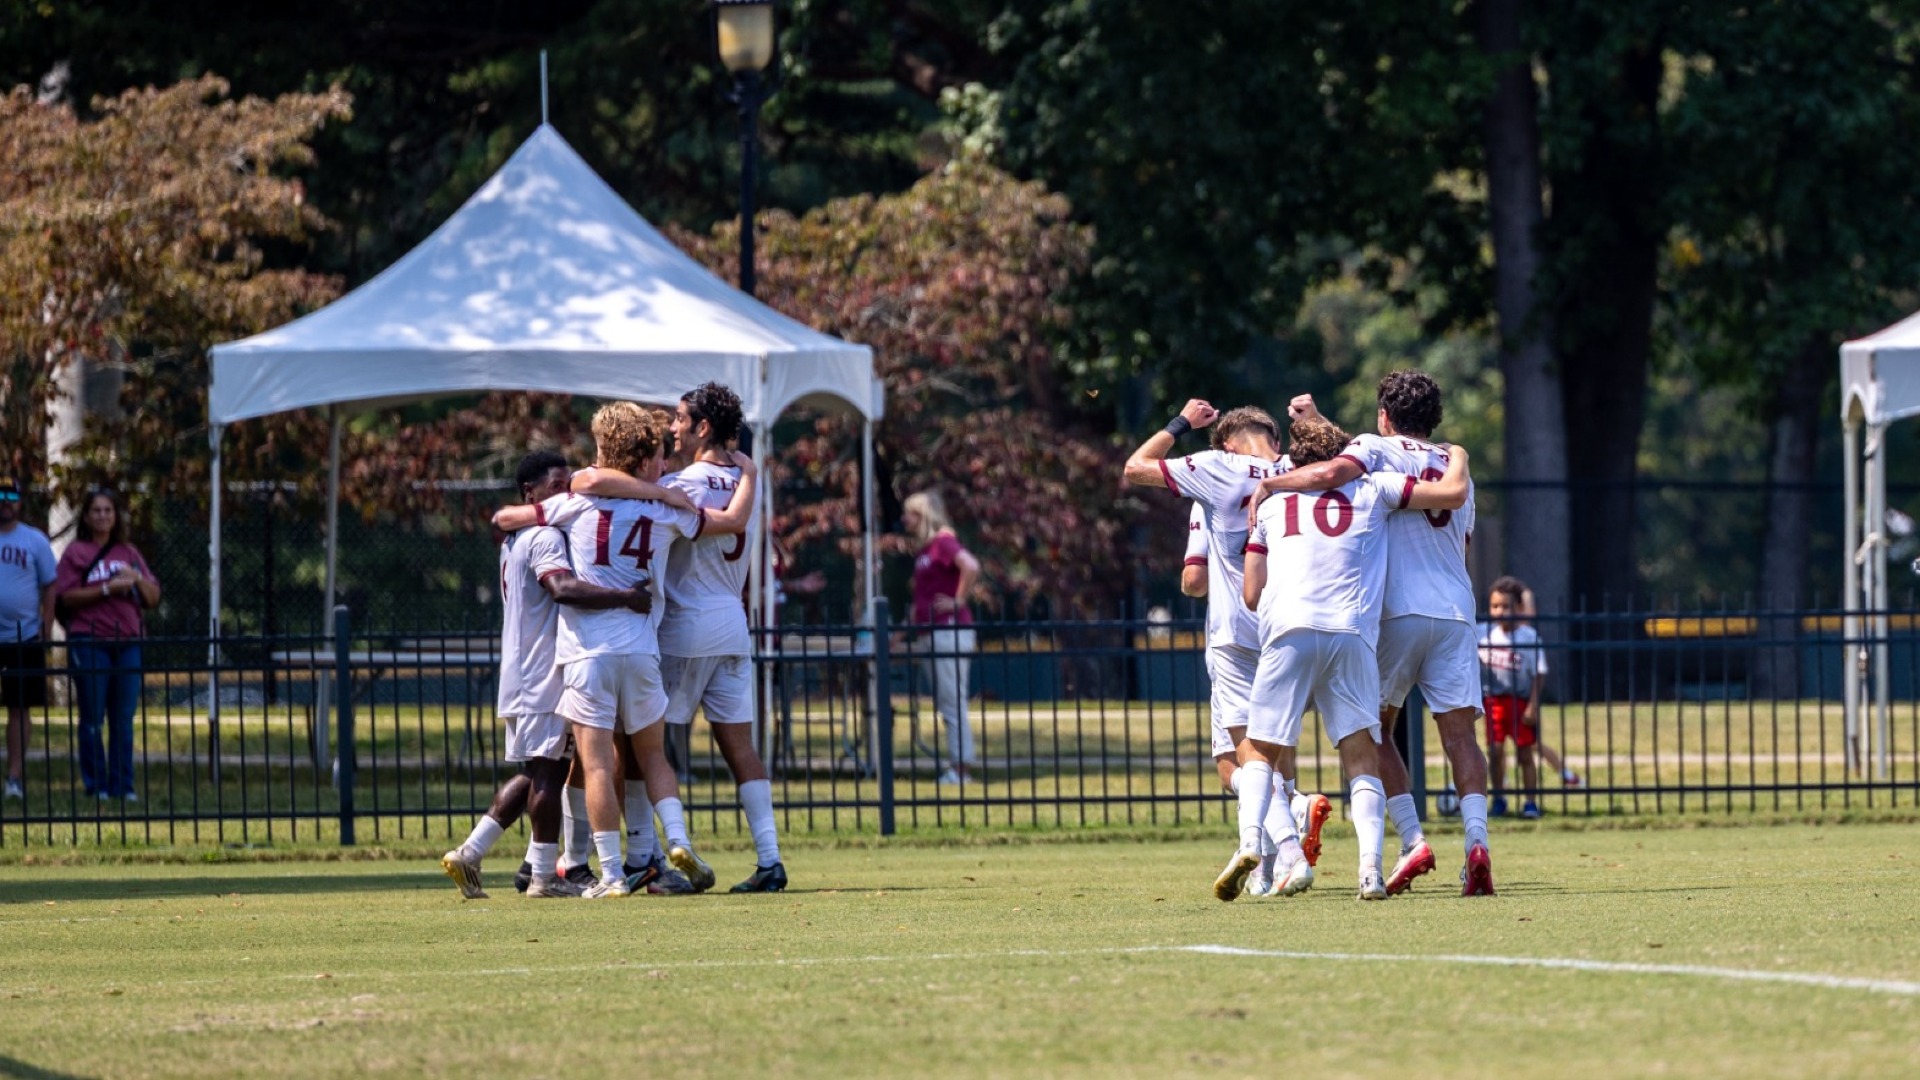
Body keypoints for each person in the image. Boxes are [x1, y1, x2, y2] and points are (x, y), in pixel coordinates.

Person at [493, 402, 755, 898]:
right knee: (653, 755)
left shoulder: (573, 501)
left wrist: (590, 484)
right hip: (642, 650)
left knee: (596, 765)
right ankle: (676, 840)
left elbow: (508, 516)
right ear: (643, 456)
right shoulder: (665, 509)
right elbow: (731, 521)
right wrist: (748, 475)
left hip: (588, 654)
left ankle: (610, 873)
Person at [1250, 373, 1496, 896]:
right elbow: (1464, 545)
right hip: (1454, 608)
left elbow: (1336, 468)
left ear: (1383, 416)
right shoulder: (1455, 470)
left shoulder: (1374, 450)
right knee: (1461, 738)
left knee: (1373, 732)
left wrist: (1274, 481)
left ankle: (1411, 840)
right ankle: (1478, 843)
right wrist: (1317, 422)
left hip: (1396, 611)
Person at [572, 382, 789, 893]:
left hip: (684, 626)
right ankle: (770, 859)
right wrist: (752, 471)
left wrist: (656, 488)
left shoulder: (686, 484)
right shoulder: (744, 482)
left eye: (679, 418)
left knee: (641, 743)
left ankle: (649, 854)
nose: (672, 427)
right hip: (734, 624)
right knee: (741, 748)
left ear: (703, 427)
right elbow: (735, 520)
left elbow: (592, 482)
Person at [1125, 400, 1330, 897]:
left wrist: (1180, 423)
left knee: (1240, 755)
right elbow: (1341, 456)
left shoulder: (1217, 469)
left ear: (1228, 443)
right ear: (1277, 440)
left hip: (1235, 629)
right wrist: (1316, 419)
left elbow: (1135, 468)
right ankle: (1273, 851)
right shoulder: (1297, 469)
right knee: (1276, 749)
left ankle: (1287, 846)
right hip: (1290, 624)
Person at [439, 450, 655, 900]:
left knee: (543, 769)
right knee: (548, 774)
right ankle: (542, 875)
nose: (566, 492)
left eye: (568, 483)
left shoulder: (513, 539)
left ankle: (475, 853)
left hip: (522, 669)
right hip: (542, 671)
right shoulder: (543, 537)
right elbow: (561, 588)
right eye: (557, 486)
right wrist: (624, 597)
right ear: (530, 493)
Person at [54, 487, 161, 802]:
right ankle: (96, 784)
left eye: (108, 511)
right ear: (87, 516)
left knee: (123, 717)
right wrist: (106, 589)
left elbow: (153, 597)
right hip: (90, 640)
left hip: (127, 641)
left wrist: (136, 579)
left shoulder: (128, 553)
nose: (102, 516)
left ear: (116, 517)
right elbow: (66, 596)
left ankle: (123, 785)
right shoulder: (76, 553)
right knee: (92, 717)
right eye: (96, 511)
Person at [901, 490, 981, 785]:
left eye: (909, 513)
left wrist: (958, 601)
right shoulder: (926, 549)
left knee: (952, 701)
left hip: (949, 630)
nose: (904, 519)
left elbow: (970, 566)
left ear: (922, 515)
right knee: (947, 702)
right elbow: (919, 602)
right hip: (931, 632)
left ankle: (961, 769)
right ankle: (958, 765)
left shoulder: (943, 541)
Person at [1, 477, 57, 801]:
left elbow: (50, 584)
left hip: (24, 638)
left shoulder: (35, 541)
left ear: (20, 502)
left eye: (11, 495)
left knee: (19, 708)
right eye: (0, 495)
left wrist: (46, 624)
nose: (5, 501)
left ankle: (14, 777)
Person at [1480, 575, 1550, 820]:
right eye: (1495, 606)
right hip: (1494, 702)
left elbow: (1538, 674)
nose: (1500, 611)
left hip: (1520, 702)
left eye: (1506, 606)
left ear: (1518, 608)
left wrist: (1533, 705)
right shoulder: (1484, 634)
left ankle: (1530, 802)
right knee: (1495, 751)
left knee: (1524, 753)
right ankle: (1499, 797)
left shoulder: (1528, 637)